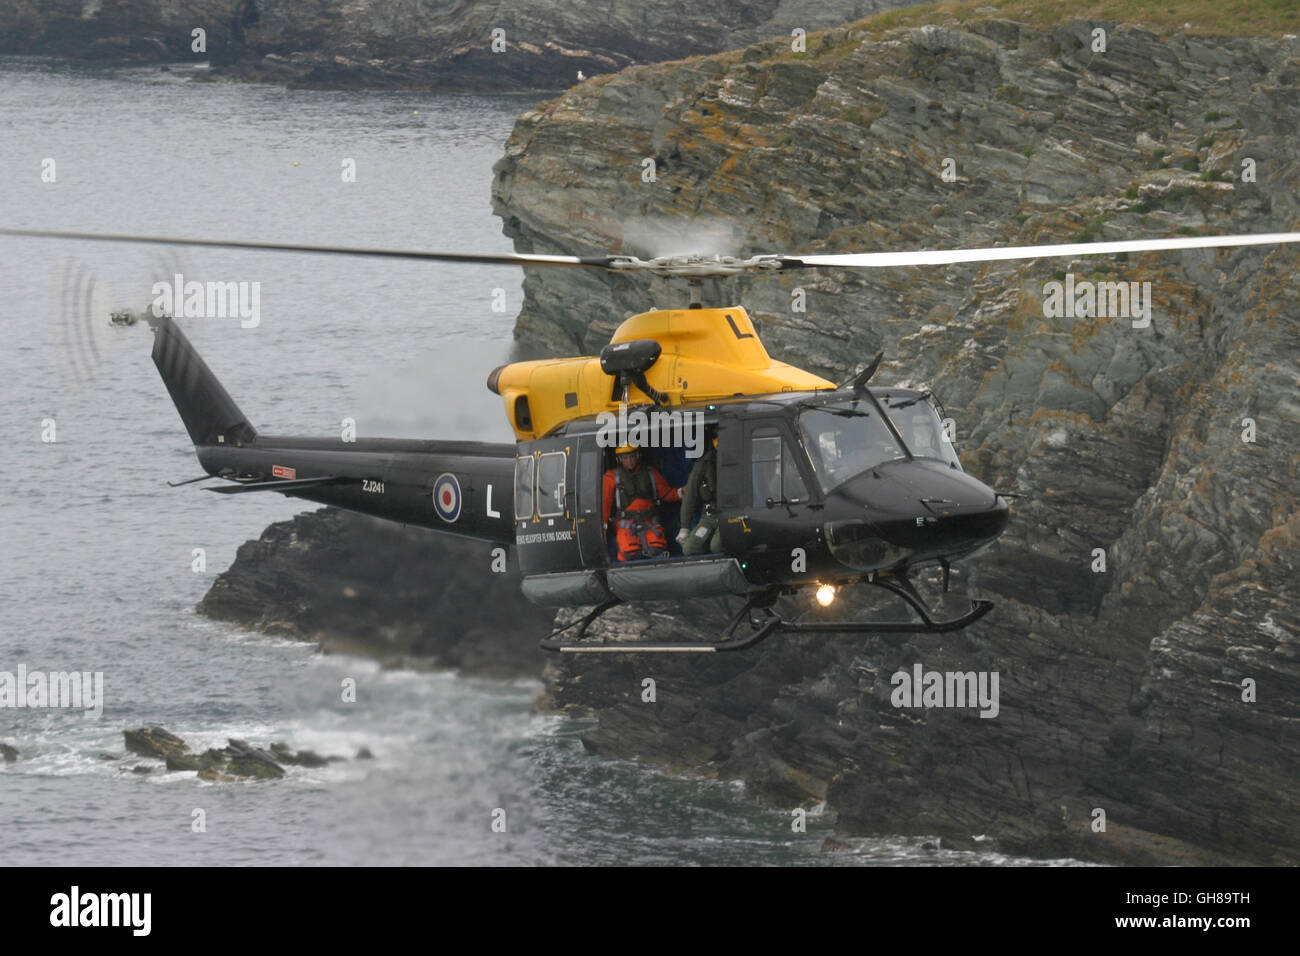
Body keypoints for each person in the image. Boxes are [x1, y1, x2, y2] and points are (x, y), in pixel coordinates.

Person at [602, 442, 681, 561]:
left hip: (650, 522)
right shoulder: (611, 477)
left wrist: (682, 493)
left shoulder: (651, 473)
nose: (629, 461)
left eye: (632, 456)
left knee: (658, 551)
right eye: (625, 458)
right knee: (629, 554)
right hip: (626, 526)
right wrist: (603, 528)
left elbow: (666, 493)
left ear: (638, 455)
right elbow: (605, 504)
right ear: (619, 459)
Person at [677, 433, 721, 555]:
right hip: (708, 517)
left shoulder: (737, 464)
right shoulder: (703, 465)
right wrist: (684, 527)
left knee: (716, 546)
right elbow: (689, 496)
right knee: (690, 547)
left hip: (728, 517)